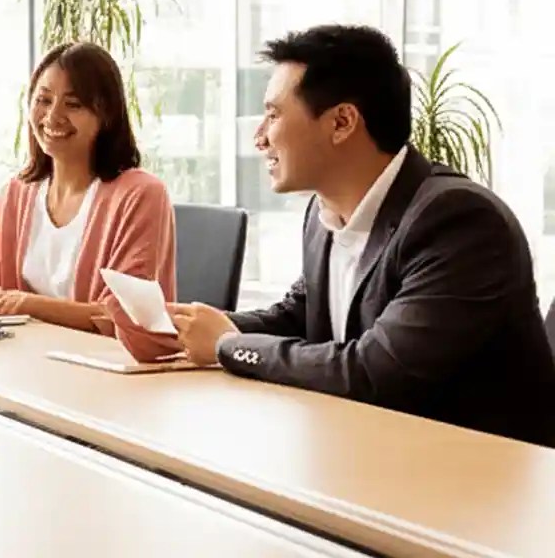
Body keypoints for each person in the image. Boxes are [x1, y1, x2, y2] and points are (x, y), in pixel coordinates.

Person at [169, 24, 555, 447]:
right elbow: (302, 313)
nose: (259, 137)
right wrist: (183, 327)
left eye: (274, 114)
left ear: (341, 122)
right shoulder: (323, 213)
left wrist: (227, 345)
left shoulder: (458, 220)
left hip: (476, 481)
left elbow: (376, 371)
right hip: (372, 453)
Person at [0, 42, 179, 361]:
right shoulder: (16, 194)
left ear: (106, 114)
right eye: (43, 100)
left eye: (74, 104)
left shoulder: (140, 195)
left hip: (104, 371)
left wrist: (27, 304)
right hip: (27, 363)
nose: (53, 116)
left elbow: (128, 318)